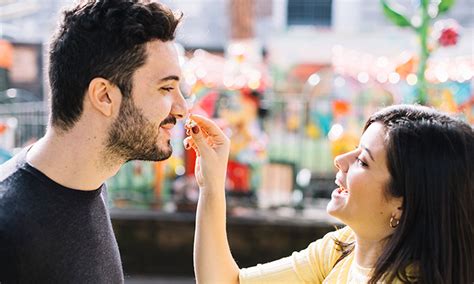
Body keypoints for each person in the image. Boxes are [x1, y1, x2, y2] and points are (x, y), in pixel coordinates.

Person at [0, 0, 186, 282]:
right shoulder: (9, 229)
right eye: (167, 88)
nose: (182, 108)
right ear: (104, 96)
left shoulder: (91, 186)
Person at [186, 105, 474, 283]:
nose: (341, 160)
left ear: (402, 203)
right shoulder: (343, 247)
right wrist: (211, 185)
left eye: (363, 161)